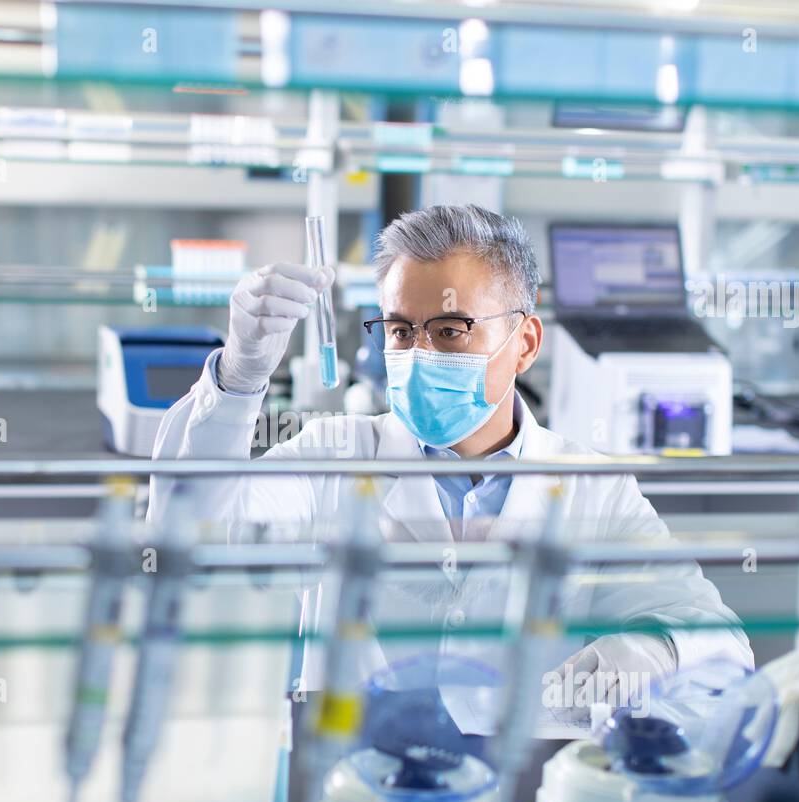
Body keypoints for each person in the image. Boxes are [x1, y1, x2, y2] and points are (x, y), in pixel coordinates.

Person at [149, 204, 751, 728]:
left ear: (526, 343)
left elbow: (722, 641)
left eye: (449, 329)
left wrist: (657, 652)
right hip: (354, 776)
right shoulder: (333, 454)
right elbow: (195, 543)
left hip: (518, 788)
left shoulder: (592, 486)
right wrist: (238, 378)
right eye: (400, 330)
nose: (418, 354)